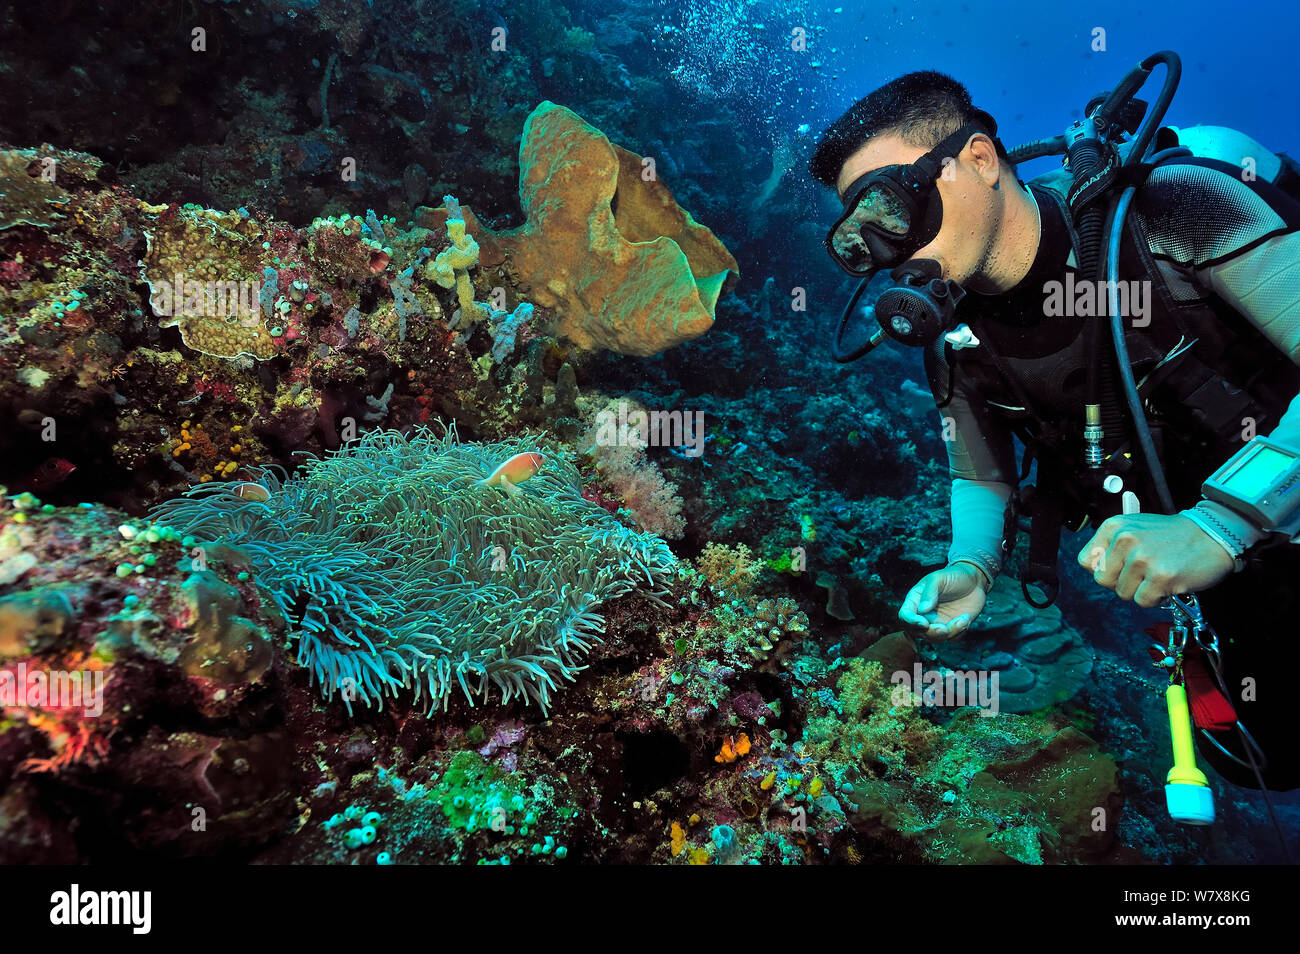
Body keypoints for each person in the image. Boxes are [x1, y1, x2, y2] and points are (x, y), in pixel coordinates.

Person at [809, 70, 1300, 790]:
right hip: (1237, 582)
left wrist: (1222, 522)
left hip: (1241, 530)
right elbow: (979, 473)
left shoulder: (1172, 212)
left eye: (892, 207)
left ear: (979, 160)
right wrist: (971, 568)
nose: (890, 253)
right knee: (1265, 762)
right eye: (864, 238)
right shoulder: (954, 340)